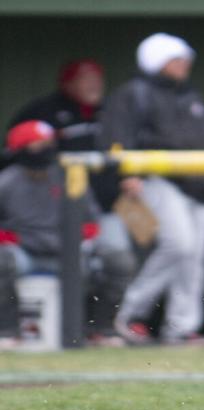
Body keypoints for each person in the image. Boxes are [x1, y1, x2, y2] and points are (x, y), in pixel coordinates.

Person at [102, 33, 204, 346]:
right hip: (157, 179)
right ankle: (129, 314)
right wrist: (125, 174)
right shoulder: (135, 93)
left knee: (193, 259)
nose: (184, 65)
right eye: (176, 59)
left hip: (201, 185)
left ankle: (181, 327)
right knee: (178, 245)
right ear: (156, 61)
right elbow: (115, 136)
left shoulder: (191, 96)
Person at [0, 121, 133, 349]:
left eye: (48, 143)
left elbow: (91, 220)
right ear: (20, 149)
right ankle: (7, 331)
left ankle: (102, 330)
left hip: (69, 252)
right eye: (37, 145)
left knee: (118, 261)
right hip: (26, 253)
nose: (46, 148)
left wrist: (84, 240)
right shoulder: (7, 181)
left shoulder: (68, 175)